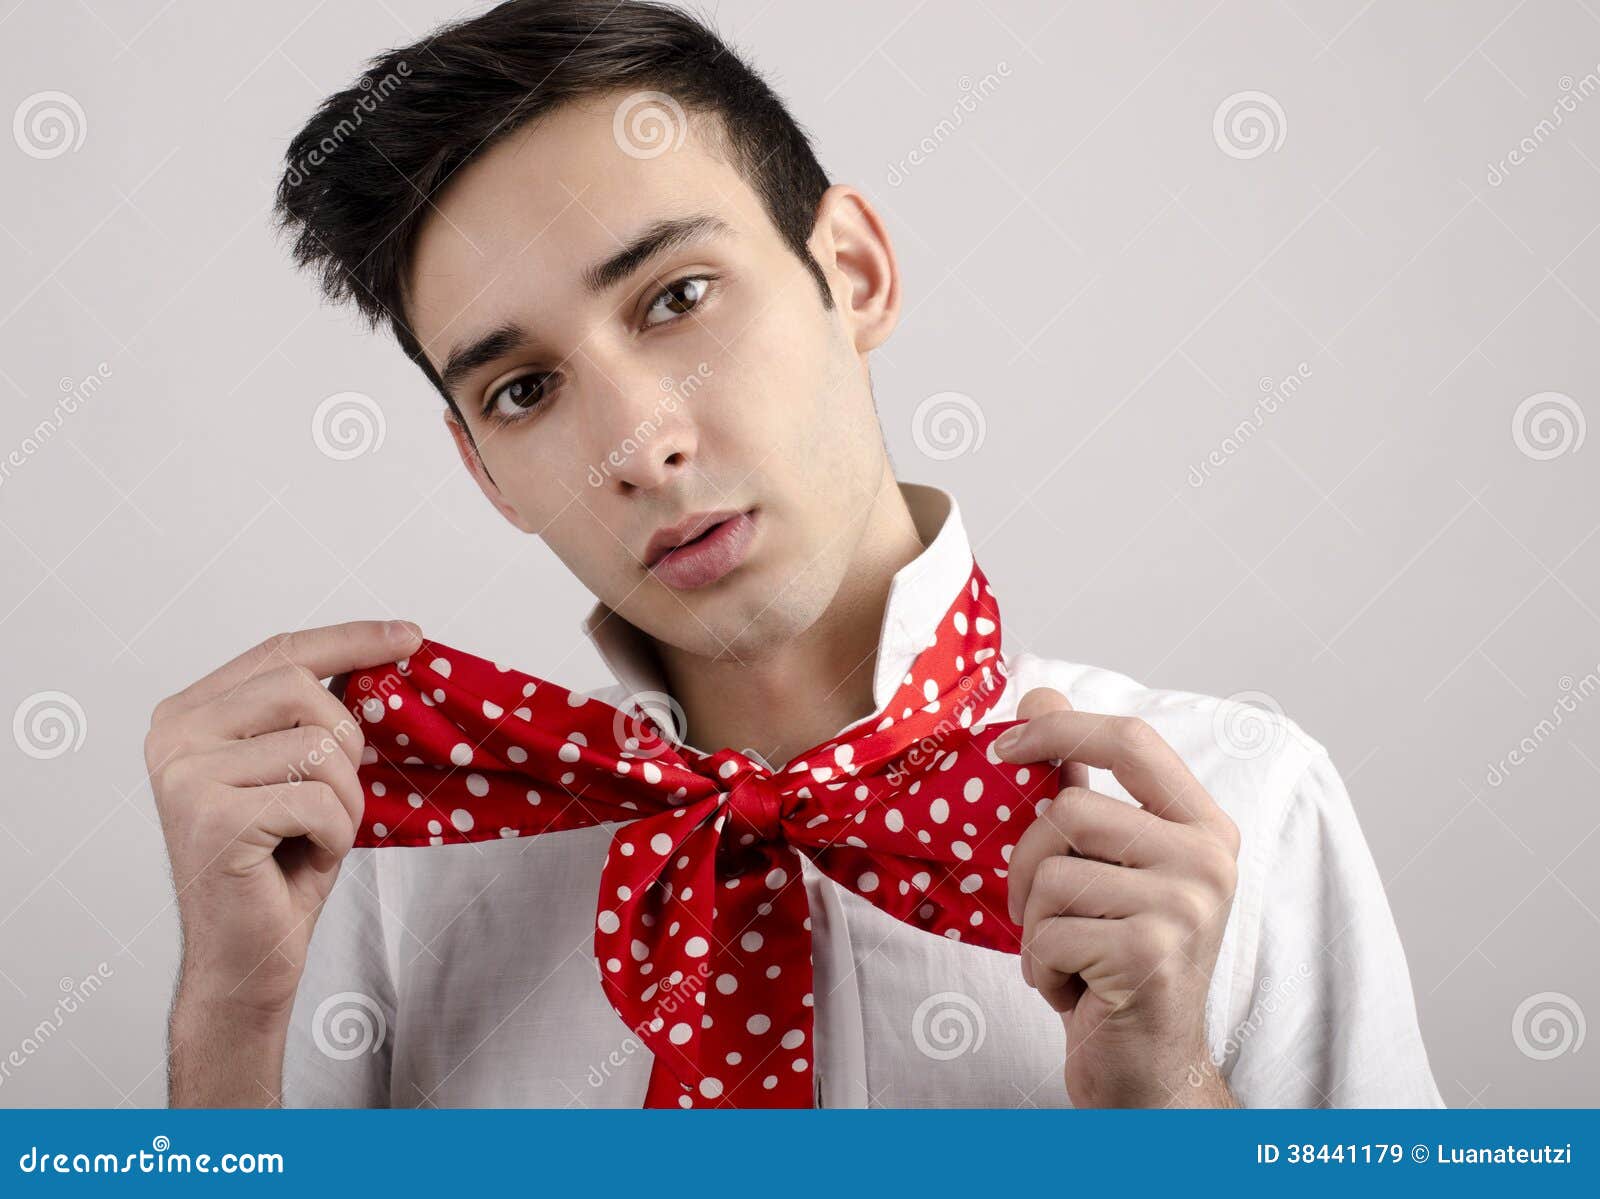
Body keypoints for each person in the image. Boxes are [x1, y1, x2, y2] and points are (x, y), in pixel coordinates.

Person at [145, 0, 1441, 1108]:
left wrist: (1171, 1100)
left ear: (856, 271)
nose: (639, 446)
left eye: (677, 299)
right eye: (526, 392)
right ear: (486, 473)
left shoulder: (1243, 811)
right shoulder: (386, 884)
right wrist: (228, 1025)